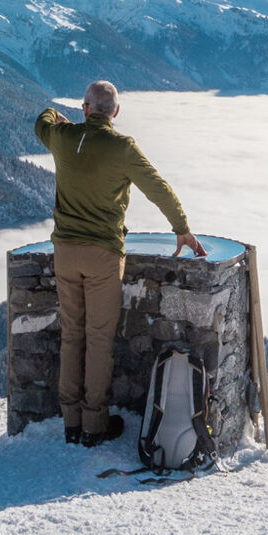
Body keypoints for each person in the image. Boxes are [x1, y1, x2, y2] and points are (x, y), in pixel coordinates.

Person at [34, 79, 204, 446]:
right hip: (103, 255)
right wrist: (182, 229)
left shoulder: (63, 138)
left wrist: (58, 117)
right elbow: (157, 187)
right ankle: (94, 424)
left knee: (71, 336)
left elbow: (41, 122)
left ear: (85, 108)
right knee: (98, 340)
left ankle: (71, 421)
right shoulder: (122, 147)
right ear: (116, 113)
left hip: (65, 252)